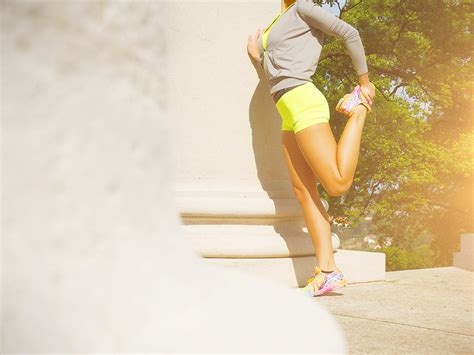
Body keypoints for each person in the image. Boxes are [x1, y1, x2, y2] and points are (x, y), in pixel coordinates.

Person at [246, 0, 376, 297]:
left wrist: (364, 82)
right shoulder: (278, 20)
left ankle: (359, 111)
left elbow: (350, 33)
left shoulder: (304, 8)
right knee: (304, 191)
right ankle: (327, 272)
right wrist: (258, 58)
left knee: (337, 183)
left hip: (304, 102)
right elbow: (279, 73)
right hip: (287, 108)